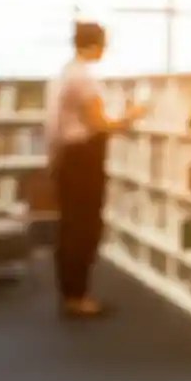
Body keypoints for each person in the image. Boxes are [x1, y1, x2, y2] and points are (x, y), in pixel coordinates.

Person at [45, 22, 146, 318]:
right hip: (83, 157)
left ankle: (70, 293)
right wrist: (132, 115)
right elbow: (100, 123)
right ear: (95, 44)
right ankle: (78, 296)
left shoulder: (65, 74)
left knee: (70, 225)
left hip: (67, 156)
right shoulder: (83, 78)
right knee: (85, 226)